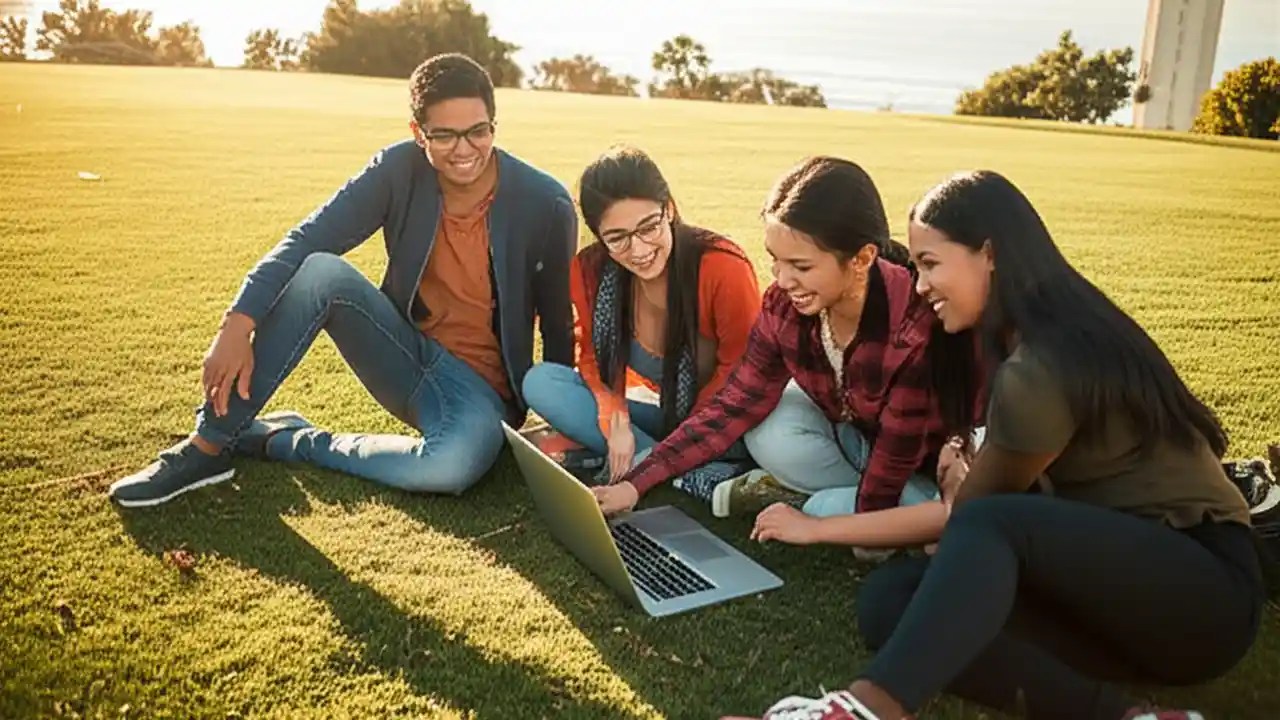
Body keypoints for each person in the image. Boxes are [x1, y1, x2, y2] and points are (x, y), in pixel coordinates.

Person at [727, 171, 1265, 720]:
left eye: (931, 264)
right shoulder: (1012, 341)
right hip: (1110, 600)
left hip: (1198, 598)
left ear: (990, 254)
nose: (918, 286)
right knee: (892, 601)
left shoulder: (1048, 361)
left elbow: (974, 522)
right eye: (915, 268)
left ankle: (862, 711)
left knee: (989, 525)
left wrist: (960, 488)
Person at [109, 54, 576, 507]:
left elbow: (557, 324)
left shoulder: (544, 202)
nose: (465, 149)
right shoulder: (398, 170)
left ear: (494, 124)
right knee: (321, 272)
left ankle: (289, 440)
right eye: (445, 136)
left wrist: (562, 431)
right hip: (405, 355)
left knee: (446, 469)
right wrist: (237, 323)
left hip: (482, 395)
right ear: (418, 134)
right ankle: (207, 448)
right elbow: (308, 238)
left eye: (478, 132)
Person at [592, 156, 983, 542]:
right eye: (775, 261)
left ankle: (907, 515)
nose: (782, 280)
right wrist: (635, 485)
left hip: (930, 462)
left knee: (824, 512)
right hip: (858, 440)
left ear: (862, 258)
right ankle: (880, 512)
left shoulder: (910, 328)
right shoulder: (785, 306)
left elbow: (898, 454)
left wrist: (863, 531)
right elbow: (734, 404)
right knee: (768, 429)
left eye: (801, 266)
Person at [522, 146, 761, 495]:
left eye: (648, 227)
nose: (638, 250)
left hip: (721, 421)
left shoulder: (721, 267)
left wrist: (681, 444)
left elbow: (741, 375)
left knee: (762, 440)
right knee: (542, 381)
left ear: (670, 210)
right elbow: (590, 356)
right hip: (664, 417)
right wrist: (613, 411)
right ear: (599, 236)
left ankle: (655, 464)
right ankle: (660, 464)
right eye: (617, 238)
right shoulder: (592, 271)